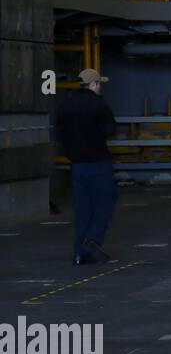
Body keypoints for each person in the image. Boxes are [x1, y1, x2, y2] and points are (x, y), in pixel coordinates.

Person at [54, 68, 118, 265]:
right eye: (99, 84)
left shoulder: (65, 105)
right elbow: (110, 130)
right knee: (107, 200)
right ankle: (92, 239)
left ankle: (80, 254)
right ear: (95, 84)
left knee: (83, 208)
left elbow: (59, 134)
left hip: (77, 164)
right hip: (98, 162)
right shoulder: (98, 104)